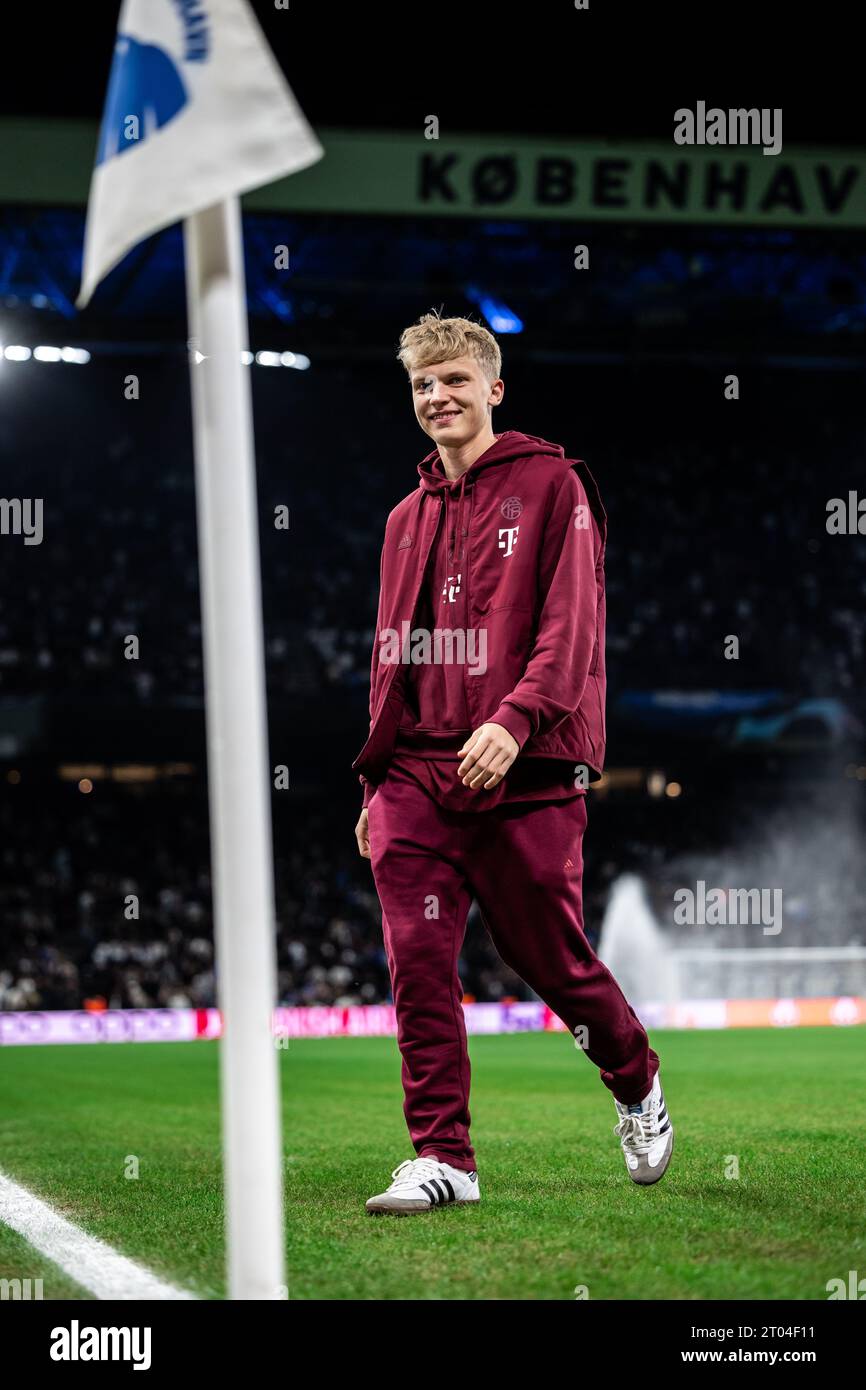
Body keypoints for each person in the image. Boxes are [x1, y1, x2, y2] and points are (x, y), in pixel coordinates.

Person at [352, 311, 673, 1214]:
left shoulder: (554, 485)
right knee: (417, 957)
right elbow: (390, 654)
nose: (437, 397)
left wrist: (516, 720)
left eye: (455, 380)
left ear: (494, 388)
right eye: (423, 384)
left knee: (551, 959)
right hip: (417, 771)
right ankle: (444, 1156)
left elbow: (572, 635)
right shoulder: (402, 519)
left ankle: (636, 1081)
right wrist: (376, 776)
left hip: (527, 766)